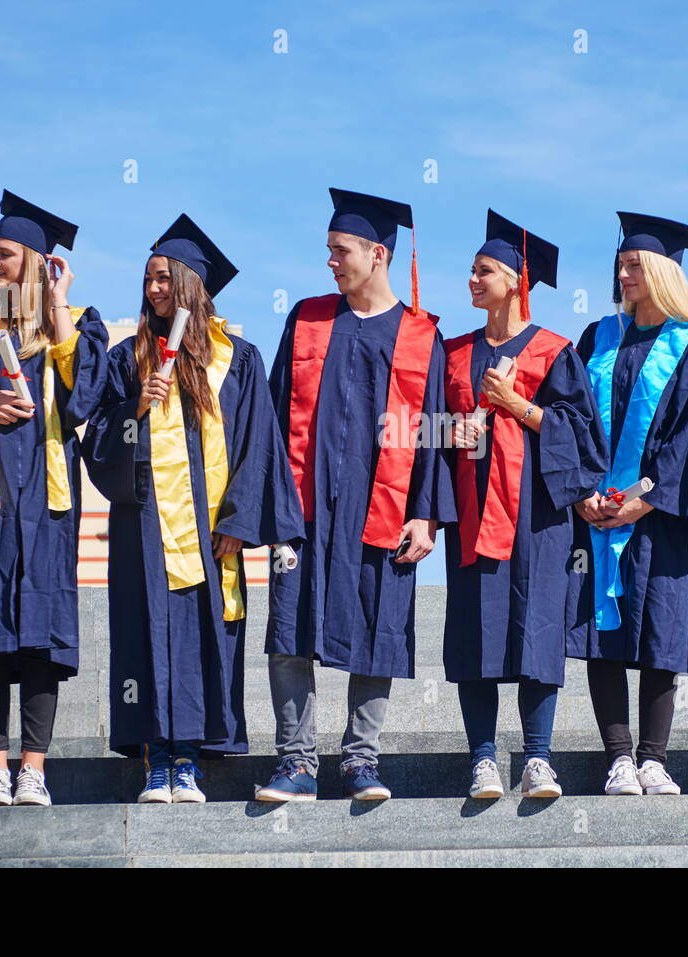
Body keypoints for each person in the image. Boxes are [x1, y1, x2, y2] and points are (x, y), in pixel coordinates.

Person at [83, 214, 304, 804]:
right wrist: (135, 404)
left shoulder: (239, 359)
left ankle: (191, 761)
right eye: (148, 280)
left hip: (212, 534)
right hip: (146, 528)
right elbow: (97, 436)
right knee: (143, 634)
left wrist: (238, 520)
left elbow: (260, 446)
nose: (154, 290)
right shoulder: (128, 358)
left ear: (189, 285)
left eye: (163, 279)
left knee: (204, 637)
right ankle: (156, 761)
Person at [258, 188, 455, 802]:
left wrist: (425, 515)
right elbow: (271, 417)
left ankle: (360, 761)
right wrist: (268, 506)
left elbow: (434, 436)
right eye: (327, 251)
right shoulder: (308, 319)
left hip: (383, 509)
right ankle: (296, 763)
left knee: (378, 624)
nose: (330, 262)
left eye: (339, 251)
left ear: (377, 253)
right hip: (305, 508)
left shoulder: (423, 337)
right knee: (291, 630)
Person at [0, 191, 108, 807]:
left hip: (48, 503)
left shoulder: (78, 321)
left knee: (40, 634)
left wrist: (56, 307)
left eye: (6, 254)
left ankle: (33, 768)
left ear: (37, 262)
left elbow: (85, 400)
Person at [443, 211, 607, 800]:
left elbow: (585, 439)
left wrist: (516, 404)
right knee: (474, 633)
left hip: (538, 518)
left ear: (515, 280)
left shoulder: (554, 351)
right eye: (471, 270)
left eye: (483, 271)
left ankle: (537, 758)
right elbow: (425, 431)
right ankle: (483, 759)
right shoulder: (453, 351)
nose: (472, 279)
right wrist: (450, 431)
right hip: (472, 512)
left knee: (537, 631)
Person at [567, 213, 688, 797]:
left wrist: (647, 501)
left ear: (662, 273)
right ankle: (617, 758)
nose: (623, 272)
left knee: (661, 626)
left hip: (662, 519)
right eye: (620, 263)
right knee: (600, 630)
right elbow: (574, 422)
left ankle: (653, 758)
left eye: (636, 264)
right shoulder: (596, 338)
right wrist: (584, 490)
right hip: (595, 516)